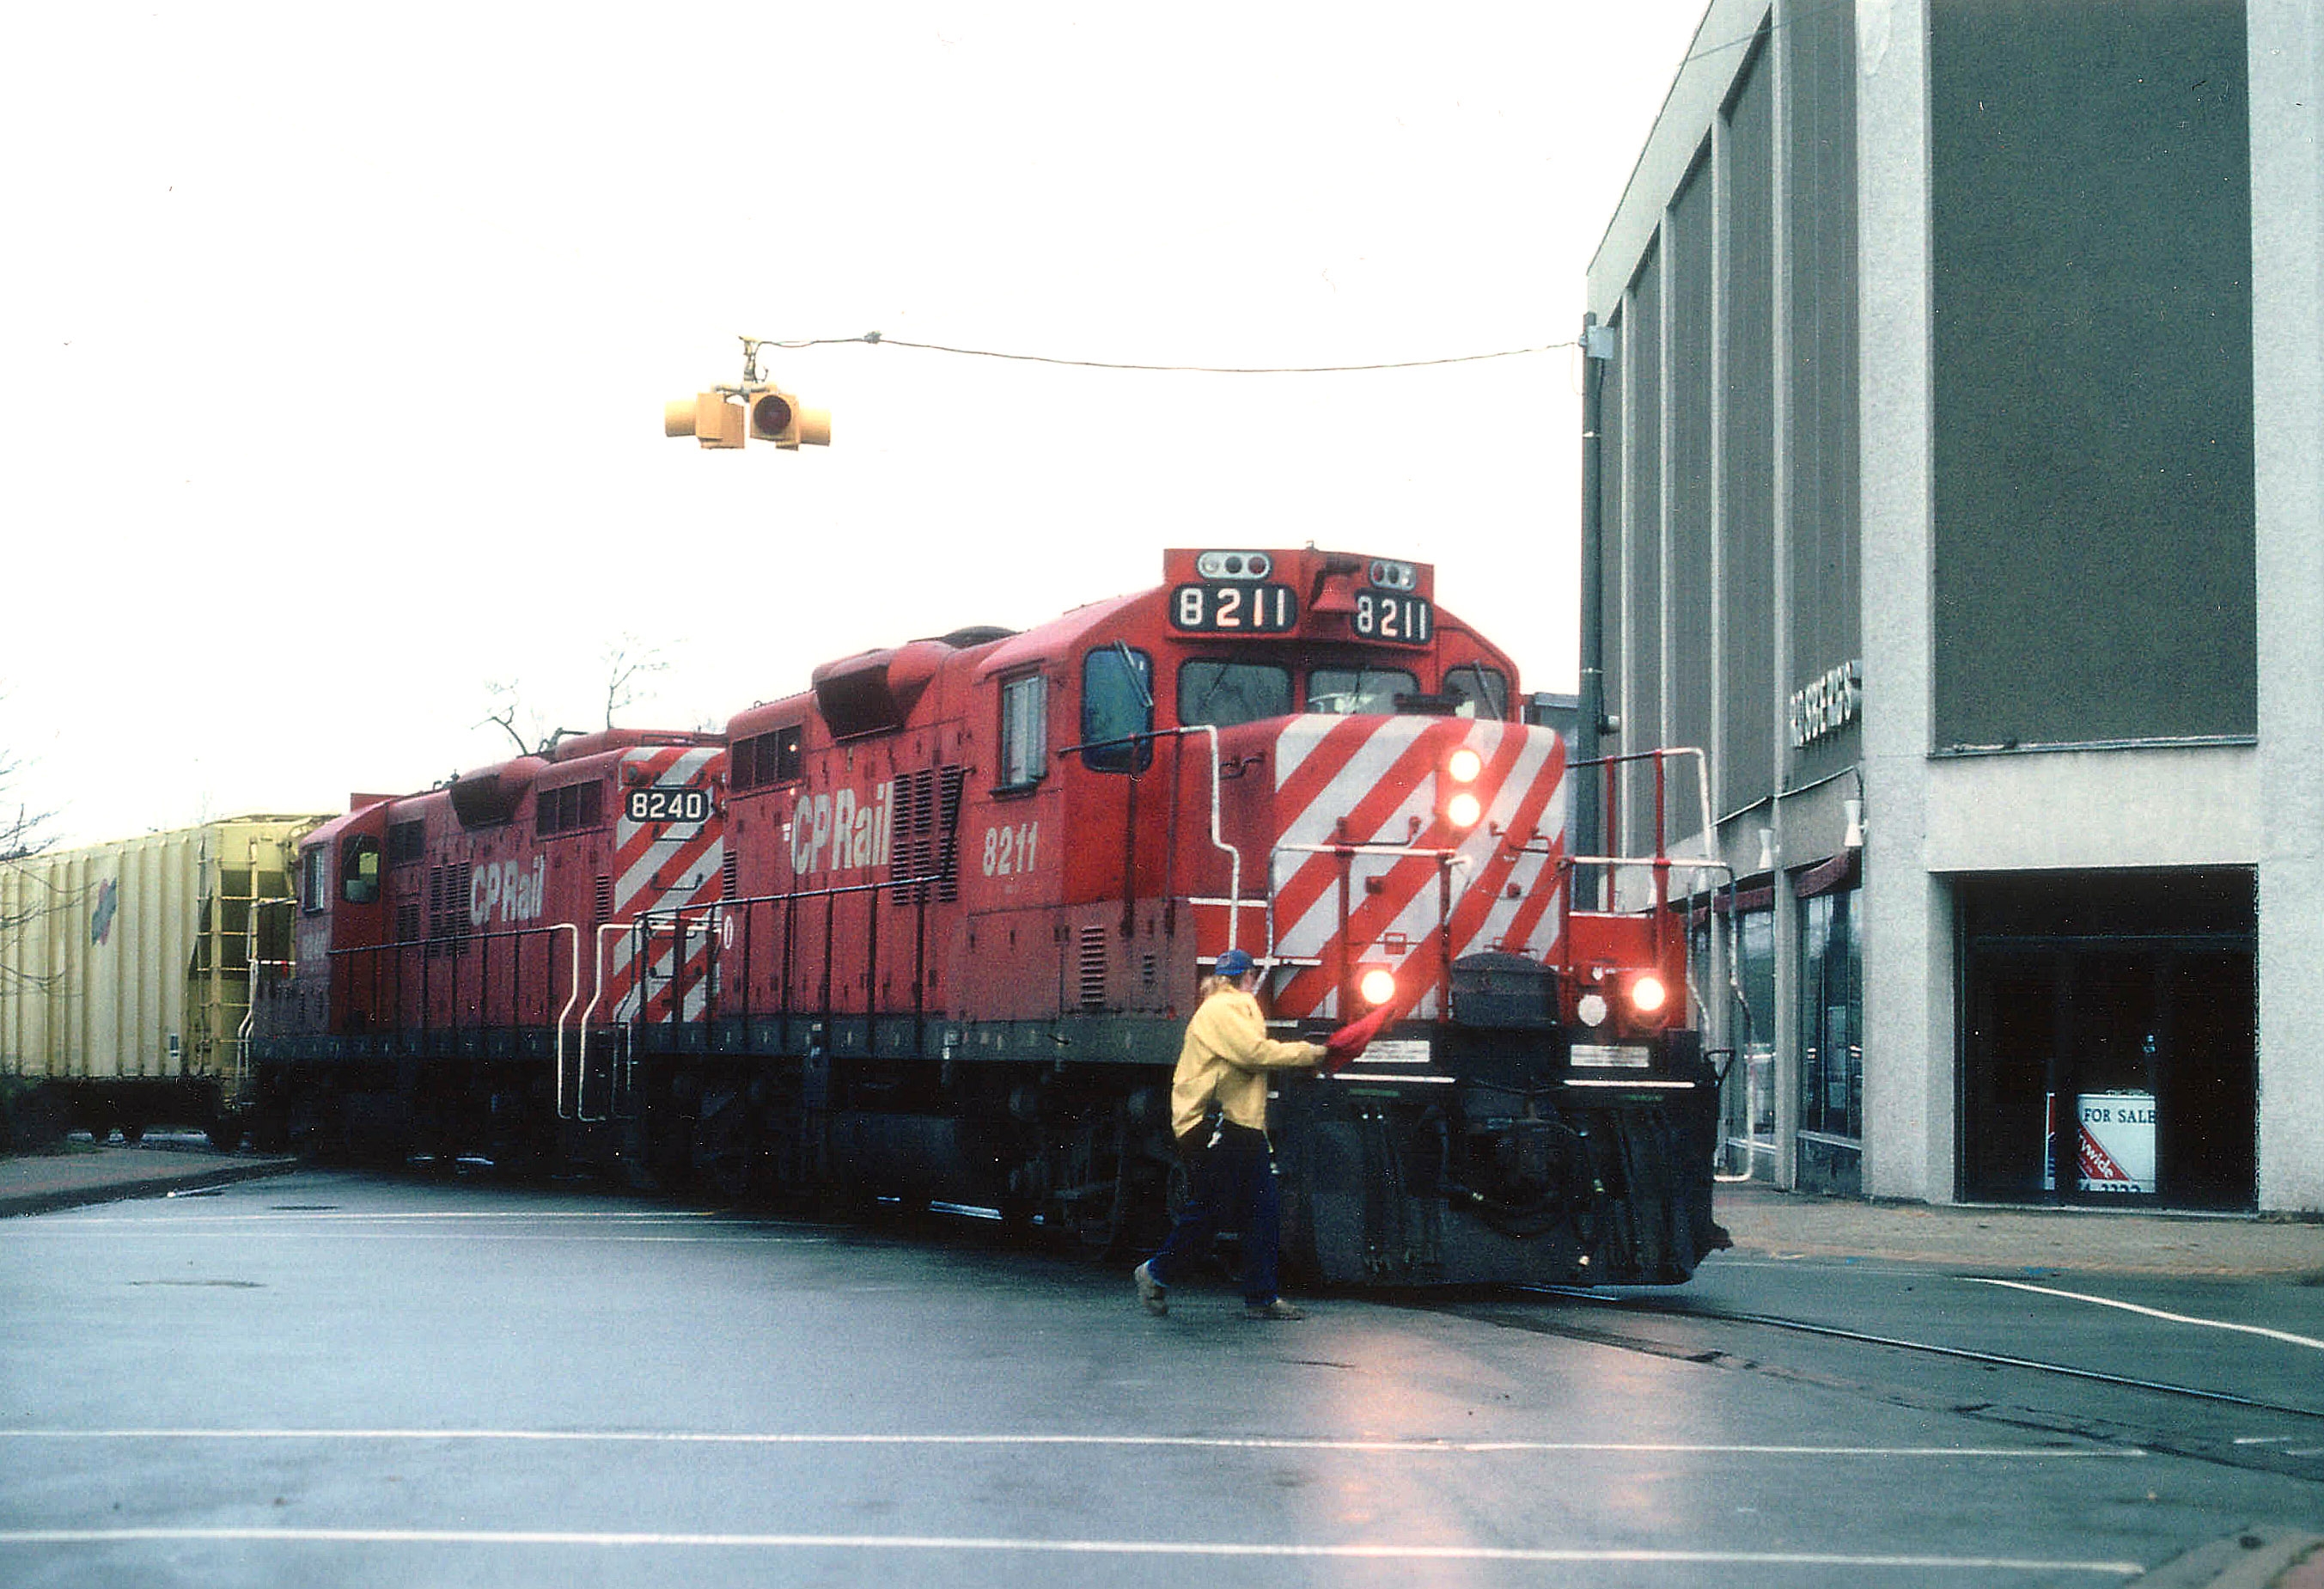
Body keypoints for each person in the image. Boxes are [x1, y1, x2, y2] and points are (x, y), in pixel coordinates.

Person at [1132, 947, 1327, 1321]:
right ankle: (1154, 1273)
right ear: (1249, 977)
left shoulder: (1228, 1007)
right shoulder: (1223, 1010)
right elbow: (1253, 1054)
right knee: (1210, 1212)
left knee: (1262, 1211)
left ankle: (1261, 1297)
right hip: (1213, 1124)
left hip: (1240, 1125)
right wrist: (1312, 1053)